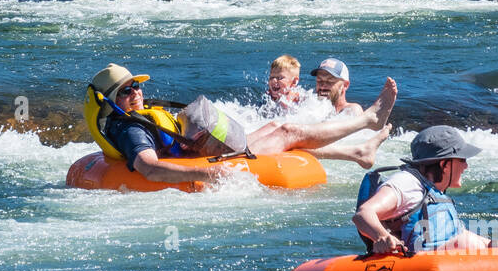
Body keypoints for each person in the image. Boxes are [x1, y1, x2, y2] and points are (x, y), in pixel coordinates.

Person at [89, 64, 396, 186]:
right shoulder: (129, 129)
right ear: (111, 101)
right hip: (202, 162)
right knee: (289, 133)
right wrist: (208, 173)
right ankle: (367, 121)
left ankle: (358, 152)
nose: (137, 93)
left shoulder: (133, 118)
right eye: (126, 91)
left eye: (137, 87)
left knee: (277, 125)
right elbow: (149, 168)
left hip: (198, 152)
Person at [353, 126, 498, 255]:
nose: (466, 166)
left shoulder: (434, 191)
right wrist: (381, 236)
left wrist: (492, 245)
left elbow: (454, 234)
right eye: (462, 160)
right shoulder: (406, 183)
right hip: (413, 268)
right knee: (466, 243)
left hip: (443, 263)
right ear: (444, 165)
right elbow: (363, 213)